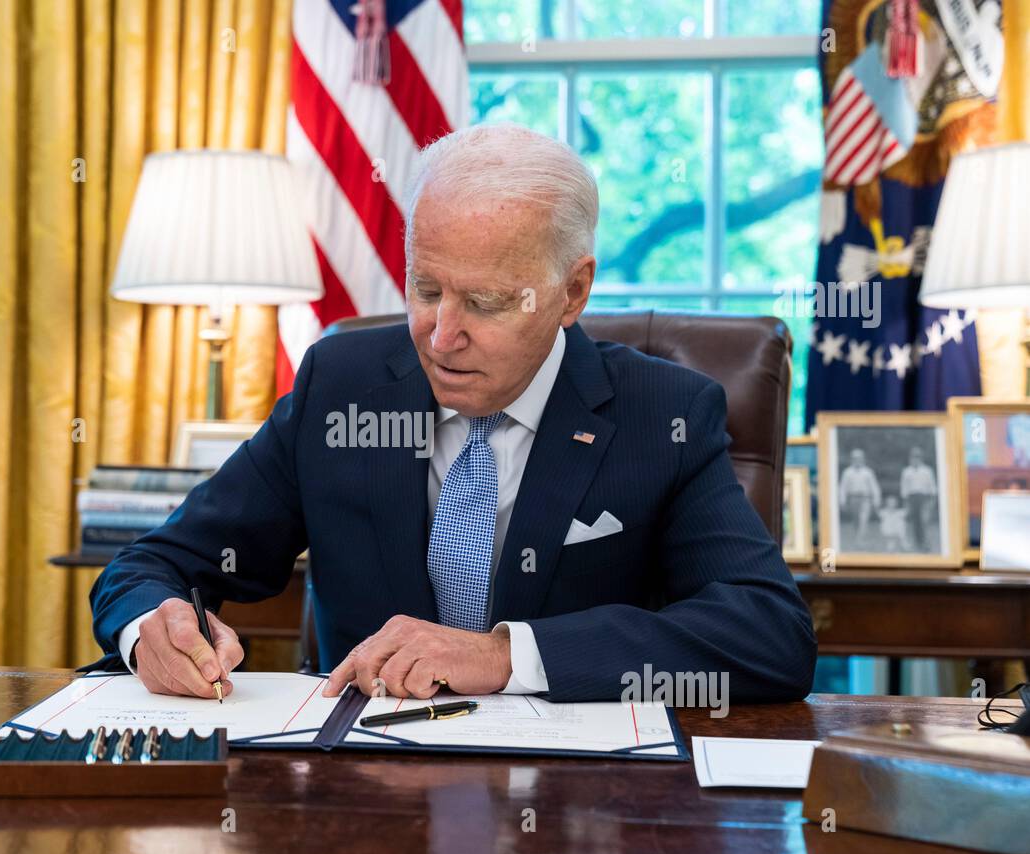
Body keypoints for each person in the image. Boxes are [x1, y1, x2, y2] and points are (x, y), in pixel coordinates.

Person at [88, 123, 816, 704]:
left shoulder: (663, 415)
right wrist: (154, 625)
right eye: (425, 288)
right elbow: (156, 563)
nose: (441, 336)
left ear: (572, 292)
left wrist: (507, 655)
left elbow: (769, 636)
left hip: (581, 808)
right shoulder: (342, 387)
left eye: (486, 302)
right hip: (363, 803)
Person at [838, 448, 880, 549]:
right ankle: (858, 539)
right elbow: (843, 487)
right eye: (855, 458)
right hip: (853, 498)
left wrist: (876, 500)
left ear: (863, 459)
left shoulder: (868, 472)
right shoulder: (847, 472)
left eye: (859, 458)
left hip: (865, 499)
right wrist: (842, 501)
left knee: (863, 520)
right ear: (852, 459)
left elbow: (874, 487)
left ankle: (860, 541)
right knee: (856, 521)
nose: (857, 460)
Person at [900, 446, 938, 551]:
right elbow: (904, 488)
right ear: (910, 458)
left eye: (917, 457)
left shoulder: (927, 471)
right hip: (911, 498)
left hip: (924, 498)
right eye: (913, 457)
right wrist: (905, 502)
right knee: (914, 522)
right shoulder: (906, 471)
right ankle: (916, 544)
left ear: (921, 458)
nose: (915, 459)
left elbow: (932, 487)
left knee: (924, 521)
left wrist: (932, 501)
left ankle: (926, 544)